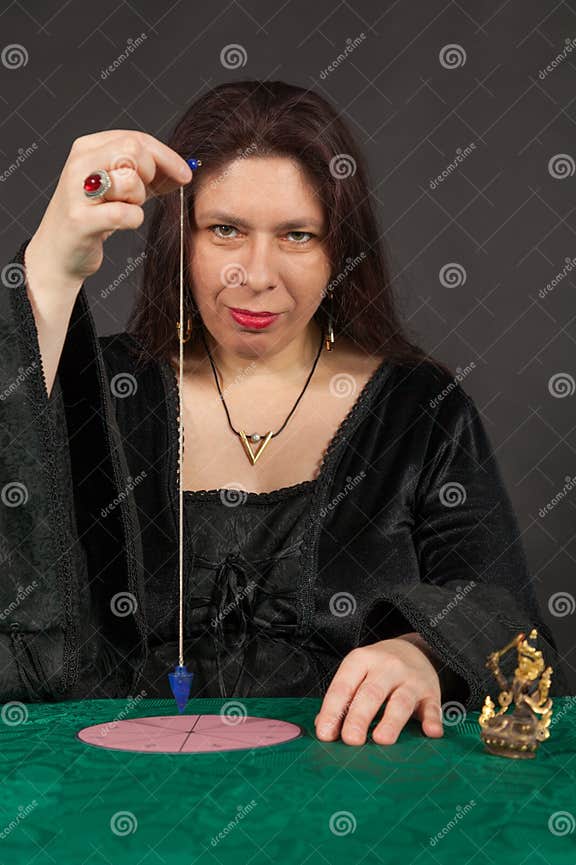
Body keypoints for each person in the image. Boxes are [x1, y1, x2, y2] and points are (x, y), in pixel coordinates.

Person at [1, 80, 569, 748]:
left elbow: (518, 633)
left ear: (341, 249)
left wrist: (426, 651)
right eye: (225, 230)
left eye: (297, 235)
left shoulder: (421, 408)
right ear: (178, 238)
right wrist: (48, 271)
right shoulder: (99, 388)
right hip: (115, 812)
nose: (256, 274)